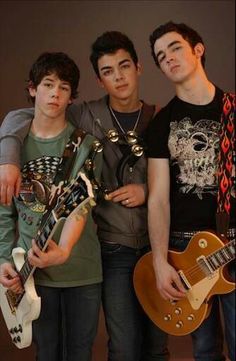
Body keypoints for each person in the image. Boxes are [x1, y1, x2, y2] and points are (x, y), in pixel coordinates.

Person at [0, 32, 169, 361]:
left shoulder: (157, 118)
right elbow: (25, 116)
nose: (118, 77)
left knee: (153, 344)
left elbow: (180, 179)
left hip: (153, 244)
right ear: (99, 79)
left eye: (124, 67)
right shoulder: (85, 115)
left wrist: (147, 191)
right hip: (108, 247)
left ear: (139, 67)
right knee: (111, 346)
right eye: (108, 71)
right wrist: (7, 156)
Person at [0, 52, 103, 361]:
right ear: (33, 89)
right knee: (46, 354)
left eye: (64, 87)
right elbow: (5, 212)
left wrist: (65, 248)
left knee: (79, 354)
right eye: (48, 84)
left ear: (72, 97)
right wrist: (3, 258)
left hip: (81, 269)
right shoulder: (13, 147)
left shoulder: (83, 145)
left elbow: (81, 207)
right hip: (30, 275)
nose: (55, 93)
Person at [147, 21, 235, 361]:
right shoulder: (162, 123)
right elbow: (157, 200)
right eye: (159, 56)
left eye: (175, 47)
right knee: (205, 350)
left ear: (198, 49)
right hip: (186, 251)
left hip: (231, 239)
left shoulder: (232, 110)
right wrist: (159, 262)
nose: (167, 58)